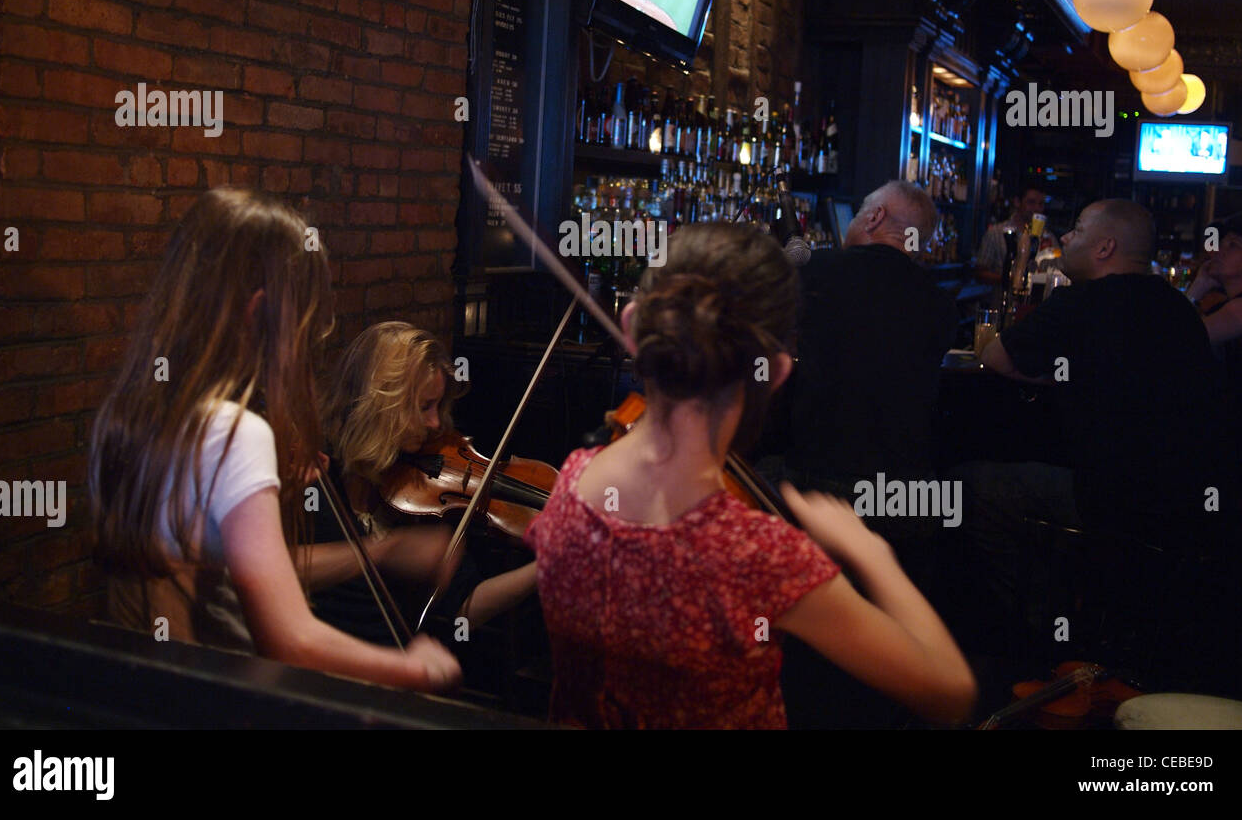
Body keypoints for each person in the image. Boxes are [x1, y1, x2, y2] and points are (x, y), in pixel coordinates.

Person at [525, 222, 976, 730]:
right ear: (778, 372)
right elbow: (950, 693)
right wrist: (874, 556)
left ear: (630, 326)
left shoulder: (569, 482)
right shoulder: (758, 557)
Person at [89, 188, 460, 693]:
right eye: (305, 323)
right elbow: (291, 640)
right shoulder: (234, 432)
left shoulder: (135, 412)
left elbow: (196, 549)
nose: (307, 345)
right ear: (259, 313)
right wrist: (416, 668)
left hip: (144, 694)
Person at [968, 199, 1226, 677]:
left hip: (1109, 502)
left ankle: (1032, 630)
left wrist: (1051, 383)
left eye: (1078, 229)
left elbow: (996, 359)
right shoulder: (1180, 308)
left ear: (1105, 247)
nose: (1066, 237)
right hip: (1186, 507)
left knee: (977, 486)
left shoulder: (1079, 302)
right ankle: (1082, 617)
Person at [310, 322, 537, 642]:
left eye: (437, 406)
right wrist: (383, 551)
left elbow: (463, 608)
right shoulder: (315, 479)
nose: (434, 424)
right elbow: (277, 572)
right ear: (380, 406)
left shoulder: (424, 493)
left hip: (397, 673)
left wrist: (543, 570)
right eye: (423, 407)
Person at [782, 181, 958, 572]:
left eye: (863, 209)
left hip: (823, 488)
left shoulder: (815, 271)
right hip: (910, 499)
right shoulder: (942, 302)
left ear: (875, 216)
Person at [1188, 214, 1242, 508]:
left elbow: (1176, 341)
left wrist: (1196, 289)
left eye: (1232, 246)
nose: (1216, 249)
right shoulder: (1229, 304)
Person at [974, 181, 1060, 285]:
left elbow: (1058, 271)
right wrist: (1010, 280)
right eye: (1031, 202)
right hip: (1002, 298)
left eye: (1041, 204)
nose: (1037, 208)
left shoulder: (1048, 237)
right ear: (1017, 202)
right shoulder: (996, 233)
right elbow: (980, 272)